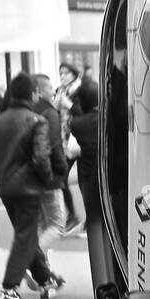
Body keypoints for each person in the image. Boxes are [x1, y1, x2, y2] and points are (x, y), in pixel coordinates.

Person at [0, 72, 57, 299]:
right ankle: (9, 289)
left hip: (6, 187)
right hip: (28, 187)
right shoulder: (37, 120)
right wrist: (46, 179)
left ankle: (46, 278)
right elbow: (41, 158)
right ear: (33, 93)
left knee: (24, 235)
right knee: (25, 237)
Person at [30, 74, 68, 284]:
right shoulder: (50, 113)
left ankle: (44, 273)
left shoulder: (27, 112)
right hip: (48, 175)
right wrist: (60, 168)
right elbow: (54, 145)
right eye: (49, 88)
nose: (53, 91)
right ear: (39, 91)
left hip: (30, 177)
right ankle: (33, 262)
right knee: (56, 223)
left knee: (41, 224)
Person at [55, 61, 83, 230]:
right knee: (62, 179)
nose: (63, 76)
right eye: (61, 73)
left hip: (80, 139)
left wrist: (69, 105)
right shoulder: (60, 91)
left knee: (85, 182)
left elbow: (84, 112)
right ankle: (72, 216)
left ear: (74, 74)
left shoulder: (80, 90)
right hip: (65, 142)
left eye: (66, 73)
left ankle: (92, 219)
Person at [68, 74, 99, 225]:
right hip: (110, 175)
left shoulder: (77, 125)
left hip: (88, 175)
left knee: (94, 222)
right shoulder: (108, 119)